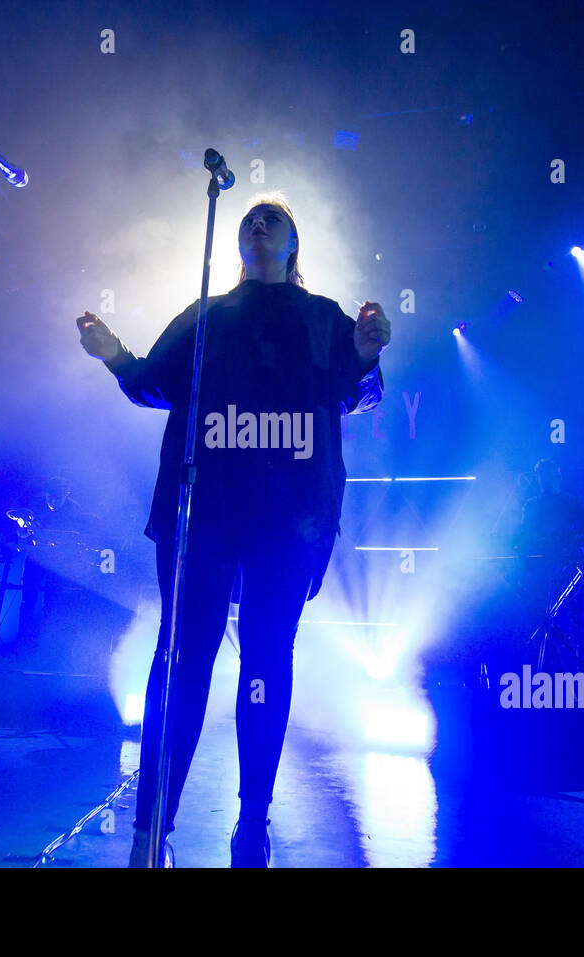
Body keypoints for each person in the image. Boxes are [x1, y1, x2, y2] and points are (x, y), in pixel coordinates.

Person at [75, 192, 389, 866]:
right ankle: (151, 827)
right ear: (238, 241)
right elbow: (154, 383)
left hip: (290, 512)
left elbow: (362, 391)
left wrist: (363, 354)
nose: (257, 221)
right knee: (182, 658)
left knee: (267, 659)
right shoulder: (208, 315)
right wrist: (113, 353)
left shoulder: (320, 316)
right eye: (250, 217)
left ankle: (252, 822)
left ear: (294, 243)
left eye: (272, 217)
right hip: (205, 507)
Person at [515, 459, 584, 669]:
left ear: (558, 474)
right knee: (543, 624)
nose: (544, 478)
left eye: (548, 473)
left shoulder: (571, 502)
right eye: (541, 474)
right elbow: (523, 538)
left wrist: (562, 543)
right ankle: (547, 680)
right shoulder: (531, 505)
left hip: (571, 569)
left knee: (581, 625)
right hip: (542, 571)